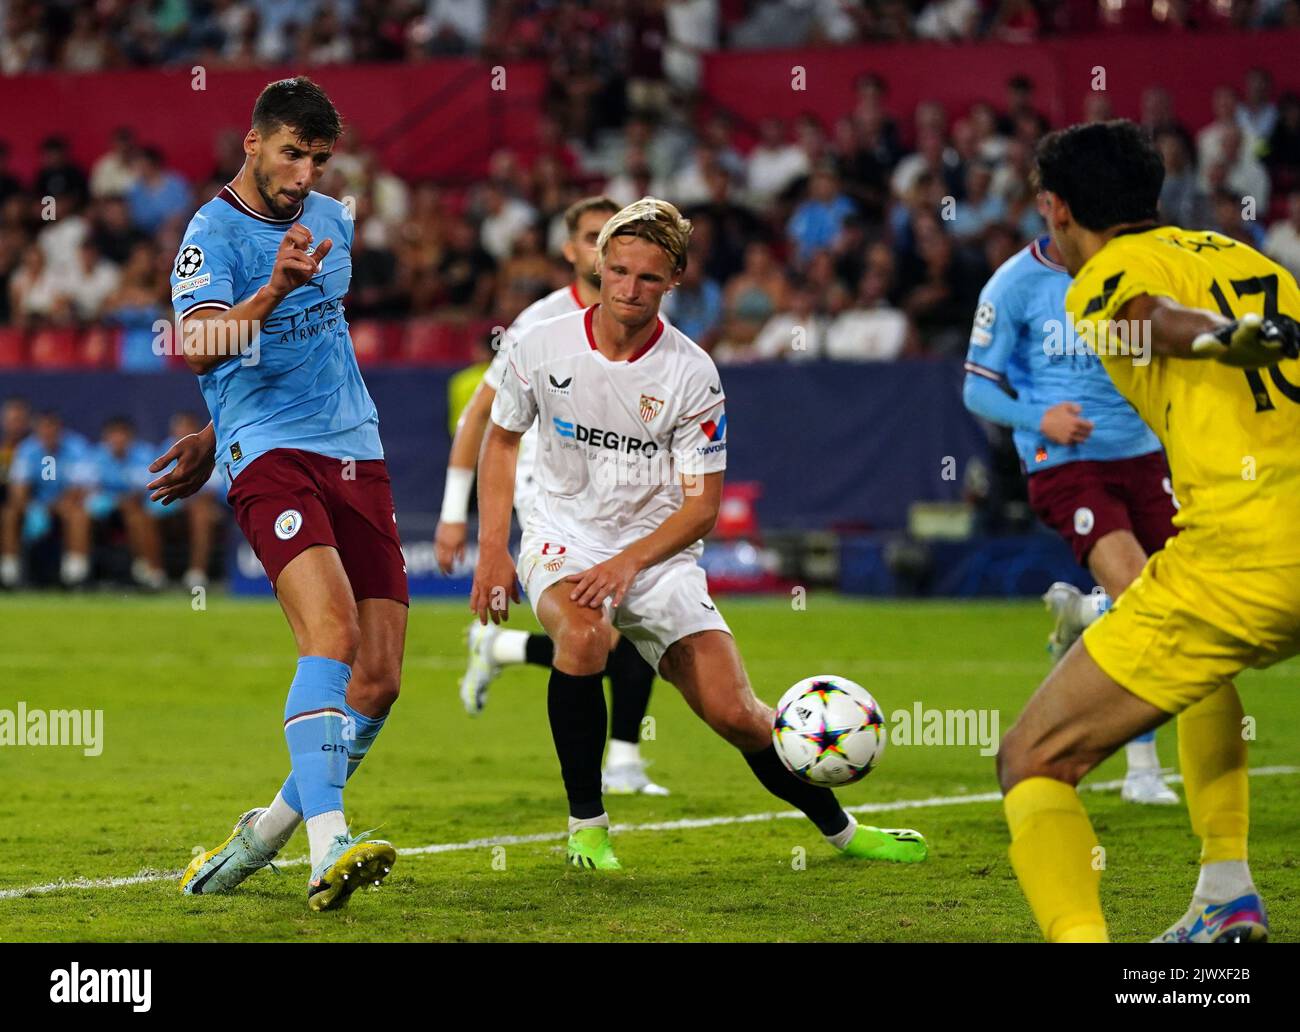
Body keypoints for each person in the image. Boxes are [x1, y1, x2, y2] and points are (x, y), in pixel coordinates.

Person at [471, 197, 928, 870]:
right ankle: (587, 827)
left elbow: (701, 508)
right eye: (617, 270)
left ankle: (843, 832)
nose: (627, 289)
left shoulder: (692, 374)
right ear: (598, 263)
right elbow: (501, 440)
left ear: (675, 280)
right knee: (585, 633)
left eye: (647, 278)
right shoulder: (539, 345)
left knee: (738, 713)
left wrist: (629, 564)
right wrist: (491, 549)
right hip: (563, 534)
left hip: (658, 554)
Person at [998, 119, 1300, 943]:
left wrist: (1214, 338)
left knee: (1032, 760)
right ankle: (1225, 894)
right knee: (1200, 678)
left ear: (1057, 209)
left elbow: (1148, 317)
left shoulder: (1104, 273)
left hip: (1245, 562)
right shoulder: (1250, 261)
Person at [157, 76, 404, 911]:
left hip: (356, 448)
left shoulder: (334, 219)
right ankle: (329, 844)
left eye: (320, 158)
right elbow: (198, 345)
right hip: (270, 455)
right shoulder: (211, 233)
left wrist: (203, 430)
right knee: (329, 636)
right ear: (254, 142)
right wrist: (273, 290)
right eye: (292, 153)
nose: (304, 174)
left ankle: (263, 833)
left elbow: (304, 342)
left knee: (378, 679)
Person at [436, 195, 668, 796]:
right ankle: (609, 771)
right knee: (600, 630)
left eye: (610, 236)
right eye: (591, 236)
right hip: (549, 492)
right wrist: (452, 514)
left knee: (633, 621)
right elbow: (481, 421)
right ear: (570, 250)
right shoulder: (537, 325)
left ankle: (510, 653)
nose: (601, 248)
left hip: (621, 489)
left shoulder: (644, 315)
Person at [963, 225, 1180, 806]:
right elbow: (976, 389)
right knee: (1140, 595)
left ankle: (1086, 612)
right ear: (1051, 206)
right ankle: (1142, 767)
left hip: (1144, 453)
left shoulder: (1134, 270)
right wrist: (1040, 417)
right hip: (1062, 458)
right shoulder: (1014, 283)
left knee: (1182, 599)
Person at [0, 410, 95, 588]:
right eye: (44, 428)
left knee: (77, 514)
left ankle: (75, 574)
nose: (48, 433)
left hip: (65, 504)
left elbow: (78, 489)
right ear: (37, 430)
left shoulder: (77, 447)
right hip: (34, 505)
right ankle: (9, 573)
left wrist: (54, 506)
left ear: (60, 429)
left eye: (53, 428)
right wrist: (33, 508)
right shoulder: (27, 449)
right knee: (9, 513)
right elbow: (19, 489)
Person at [87, 416, 165, 590]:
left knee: (138, 516)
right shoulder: (97, 456)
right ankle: (78, 570)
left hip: (138, 507)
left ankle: (149, 570)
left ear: (130, 437)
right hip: (103, 507)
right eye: (114, 435)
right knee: (79, 513)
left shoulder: (144, 454)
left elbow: (142, 491)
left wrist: (125, 501)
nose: (118, 439)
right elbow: (88, 489)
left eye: (122, 434)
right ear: (106, 437)